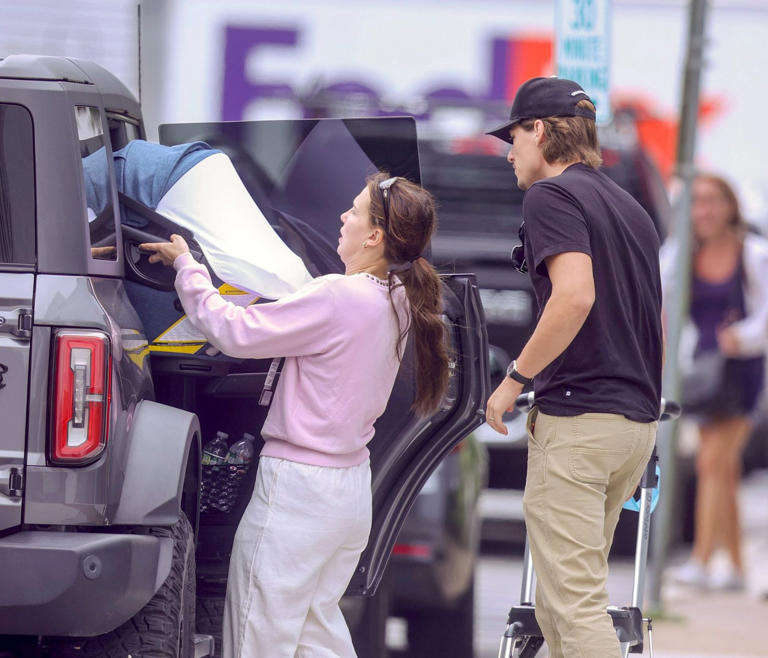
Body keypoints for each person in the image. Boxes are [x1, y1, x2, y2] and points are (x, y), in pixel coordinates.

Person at [140, 172, 449, 658]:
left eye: (353, 210)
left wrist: (188, 267)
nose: (342, 219)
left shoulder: (337, 296)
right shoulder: (399, 301)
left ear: (374, 236)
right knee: (314, 635)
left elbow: (234, 332)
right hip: (347, 493)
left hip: (299, 492)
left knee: (258, 636)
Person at [485, 77, 663, 658]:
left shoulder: (550, 197)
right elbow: (647, 318)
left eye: (512, 137)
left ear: (539, 130)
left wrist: (514, 380)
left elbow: (574, 297)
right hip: (632, 426)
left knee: (575, 607)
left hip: (582, 420)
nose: (509, 153)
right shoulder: (630, 207)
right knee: (559, 610)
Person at [663, 173, 768, 590]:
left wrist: (739, 337)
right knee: (722, 469)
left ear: (730, 205)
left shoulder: (753, 254)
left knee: (711, 463)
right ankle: (739, 569)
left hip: (741, 370)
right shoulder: (682, 253)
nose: (704, 210)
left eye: (712, 201)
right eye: (697, 202)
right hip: (703, 370)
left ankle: (703, 560)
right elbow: (660, 292)